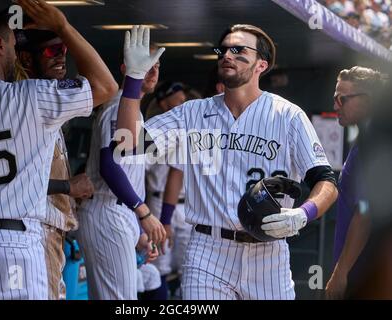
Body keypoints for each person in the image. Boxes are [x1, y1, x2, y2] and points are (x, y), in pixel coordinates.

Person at [116, 25, 338, 300]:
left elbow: (327, 181)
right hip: (207, 250)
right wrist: (133, 81)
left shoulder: (288, 115)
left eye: (238, 50)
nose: (227, 55)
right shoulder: (193, 112)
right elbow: (127, 144)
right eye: (223, 50)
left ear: (261, 64)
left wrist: (303, 213)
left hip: (267, 253)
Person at [0, 0, 116, 299]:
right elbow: (105, 86)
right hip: (12, 246)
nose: (13, 48)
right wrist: (62, 25)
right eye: (10, 40)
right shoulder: (29, 97)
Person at [76, 44, 165, 300]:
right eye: (147, 65)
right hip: (108, 210)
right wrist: (143, 212)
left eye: (156, 66)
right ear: (126, 68)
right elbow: (109, 165)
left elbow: (131, 173)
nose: (152, 72)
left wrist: (138, 224)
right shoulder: (119, 107)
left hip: (120, 212)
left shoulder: (133, 109)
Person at [15, 29, 99, 300]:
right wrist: (67, 185)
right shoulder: (22, 104)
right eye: (52, 51)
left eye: (64, 50)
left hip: (50, 232)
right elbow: (8, 180)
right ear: (26, 59)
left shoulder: (47, 103)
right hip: (32, 231)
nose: (62, 56)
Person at [325, 66, 386, 299]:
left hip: (365, 274)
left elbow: (365, 212)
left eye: (342, 99)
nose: (335, 106)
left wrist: (341, 273)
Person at [144, 81, 188, 299]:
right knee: (158, 265)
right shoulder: (155, 129)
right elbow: (137, 171)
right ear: (163, 101)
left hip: (188, 206)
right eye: (177, 96)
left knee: (190, 268)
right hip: (159, 202)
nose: (183, 99)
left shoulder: (192, 128)